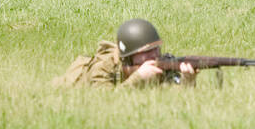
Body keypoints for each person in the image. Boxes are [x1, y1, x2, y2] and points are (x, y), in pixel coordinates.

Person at [53, 18, 196, 88]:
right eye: (146, 52)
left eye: (156, 49)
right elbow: (105, 105)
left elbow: (171, 101)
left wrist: (187, 81)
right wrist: (138, 78)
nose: (154, 55)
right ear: (129, 56)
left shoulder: (161, 63)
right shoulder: (104, 67)